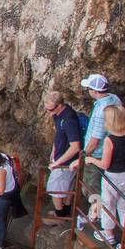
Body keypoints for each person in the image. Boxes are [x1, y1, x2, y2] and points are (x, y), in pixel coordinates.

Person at [86, 104, 125, 249]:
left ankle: (108, 234)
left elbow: (105, 164)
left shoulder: (111, 140)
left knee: (109, 203)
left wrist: (91, 160)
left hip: (115, 175)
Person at [43, 90, 83, 224]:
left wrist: (57, 163)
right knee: (66, 187)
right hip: (60, 157)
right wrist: (53, 151)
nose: (49, 112)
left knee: (54, 189)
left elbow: (75, 146)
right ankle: (65, 212)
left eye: (51, 109)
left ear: (60, 105)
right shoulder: (57, 115)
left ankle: (60, 216)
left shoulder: (68, 120)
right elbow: (58, 135)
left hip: (66, 161)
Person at [75, 74, 122, 170]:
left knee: (91, 184)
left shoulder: (101, 111)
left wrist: (82, 159)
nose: (88, 91)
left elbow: (95, 141)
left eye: (88, 89)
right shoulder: (114, 98)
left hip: (97, 154)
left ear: (93, 91)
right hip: (113, 149)